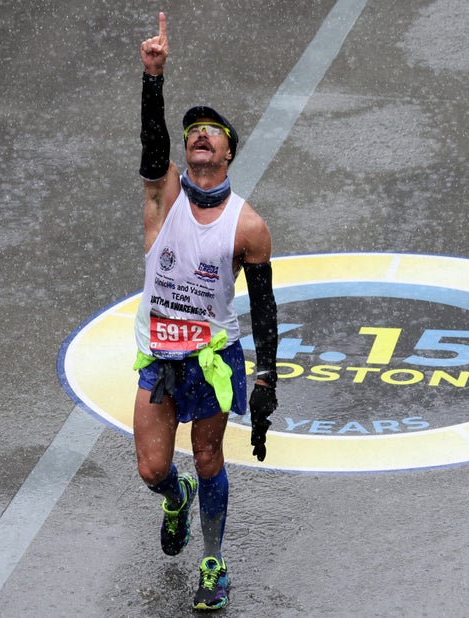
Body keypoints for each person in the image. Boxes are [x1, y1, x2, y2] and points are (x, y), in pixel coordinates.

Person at [132, 11, 279, 611]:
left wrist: (267, 375)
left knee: (212, 453)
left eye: (212, 131)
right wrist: (152, 79)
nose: (199, 134)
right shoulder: (163, 195)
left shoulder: (249, 225)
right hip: (158, 355)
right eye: (192, 129)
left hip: (212, 358)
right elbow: (150, 144)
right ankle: (177, 496)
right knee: (150, 468)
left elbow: (264, 307)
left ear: (228, 154)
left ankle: (213, 563)